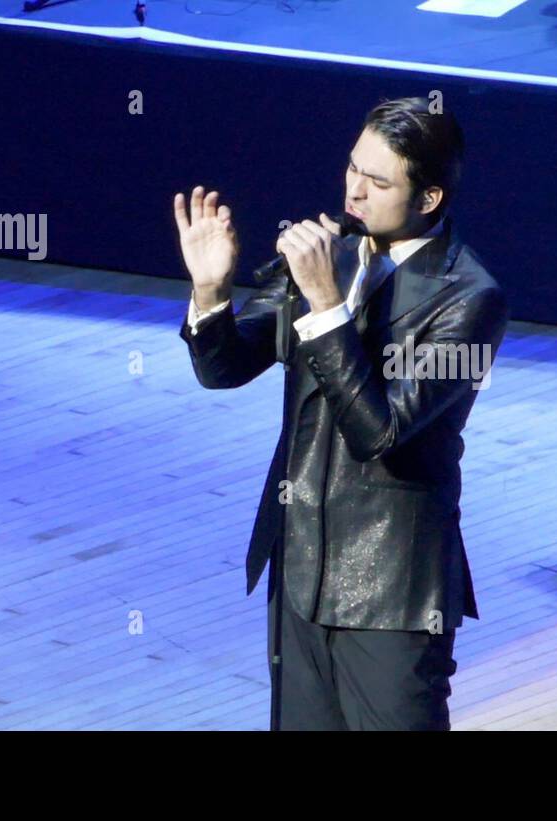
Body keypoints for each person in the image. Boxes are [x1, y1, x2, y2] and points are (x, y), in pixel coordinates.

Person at [174, 97, 508, 730]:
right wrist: (211, 292)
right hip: (299, 566)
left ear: (429, 198)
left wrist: (326, 307)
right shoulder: (332, 246)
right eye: (354, 168)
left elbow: (379, 432)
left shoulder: (470, 302)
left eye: (378, 182)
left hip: (392, 590)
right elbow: (224, 368)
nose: (354, 190)